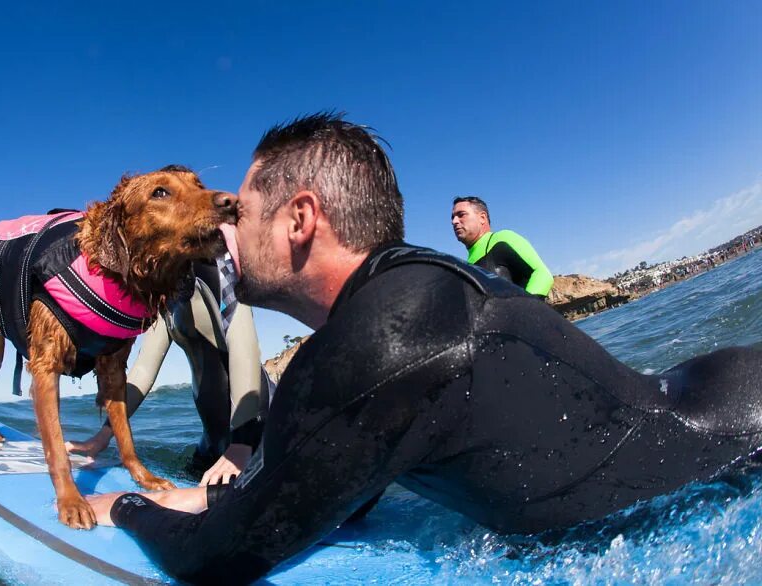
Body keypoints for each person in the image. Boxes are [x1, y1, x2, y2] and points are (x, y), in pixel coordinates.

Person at [87, 113, 762, 584]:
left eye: (242, 211)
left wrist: (123, 506)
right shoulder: (413, 283)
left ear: (299, 219)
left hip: (733, 457)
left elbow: (214, 561)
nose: (228, 227)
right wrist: (219, 493)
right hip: (715, 400)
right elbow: (340, 477)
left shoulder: (373, 346)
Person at [68, 256, 273, 485]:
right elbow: (144, 369)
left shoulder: (213, 264)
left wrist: (241, 444)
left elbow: (243, 344)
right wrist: (104, 434)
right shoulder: (164, 295)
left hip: (256, 427)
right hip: (214, 440)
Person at [451, 195, 554, 297]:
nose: (454, 221)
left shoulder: (502, 239)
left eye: (461, 215)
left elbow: (542, 275)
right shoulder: (467, 265)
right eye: (453, 217)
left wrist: (524, 310)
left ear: (482, 218)